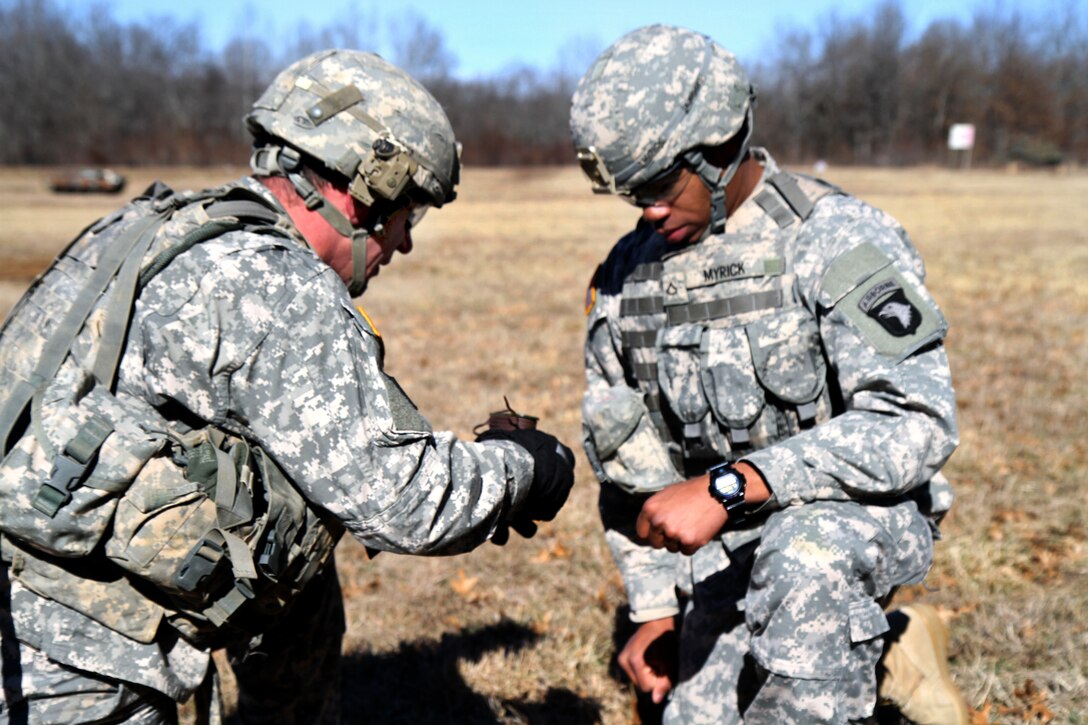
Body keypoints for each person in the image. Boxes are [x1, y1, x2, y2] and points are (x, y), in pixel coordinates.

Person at [0, 49, 574, 723]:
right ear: (366, 194)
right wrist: (530, 469)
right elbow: (403, 499)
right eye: (407, 217)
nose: (406, 245)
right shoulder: (278, 285)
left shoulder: (155, 223)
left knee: (297, 538)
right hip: (72, 652)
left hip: (36, 585)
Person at [572, 25, 968, 724]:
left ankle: (881, 631)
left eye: (662, 183)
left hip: (853, 517)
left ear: (719, 148)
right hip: (728, 553)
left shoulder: (836, 238)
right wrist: (658, 606)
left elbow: (915, 421)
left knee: (803, 559)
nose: (648, 210)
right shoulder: (626, 279)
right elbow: (630, 466)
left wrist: (735, 485)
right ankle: (892, 650)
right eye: (632, 191)